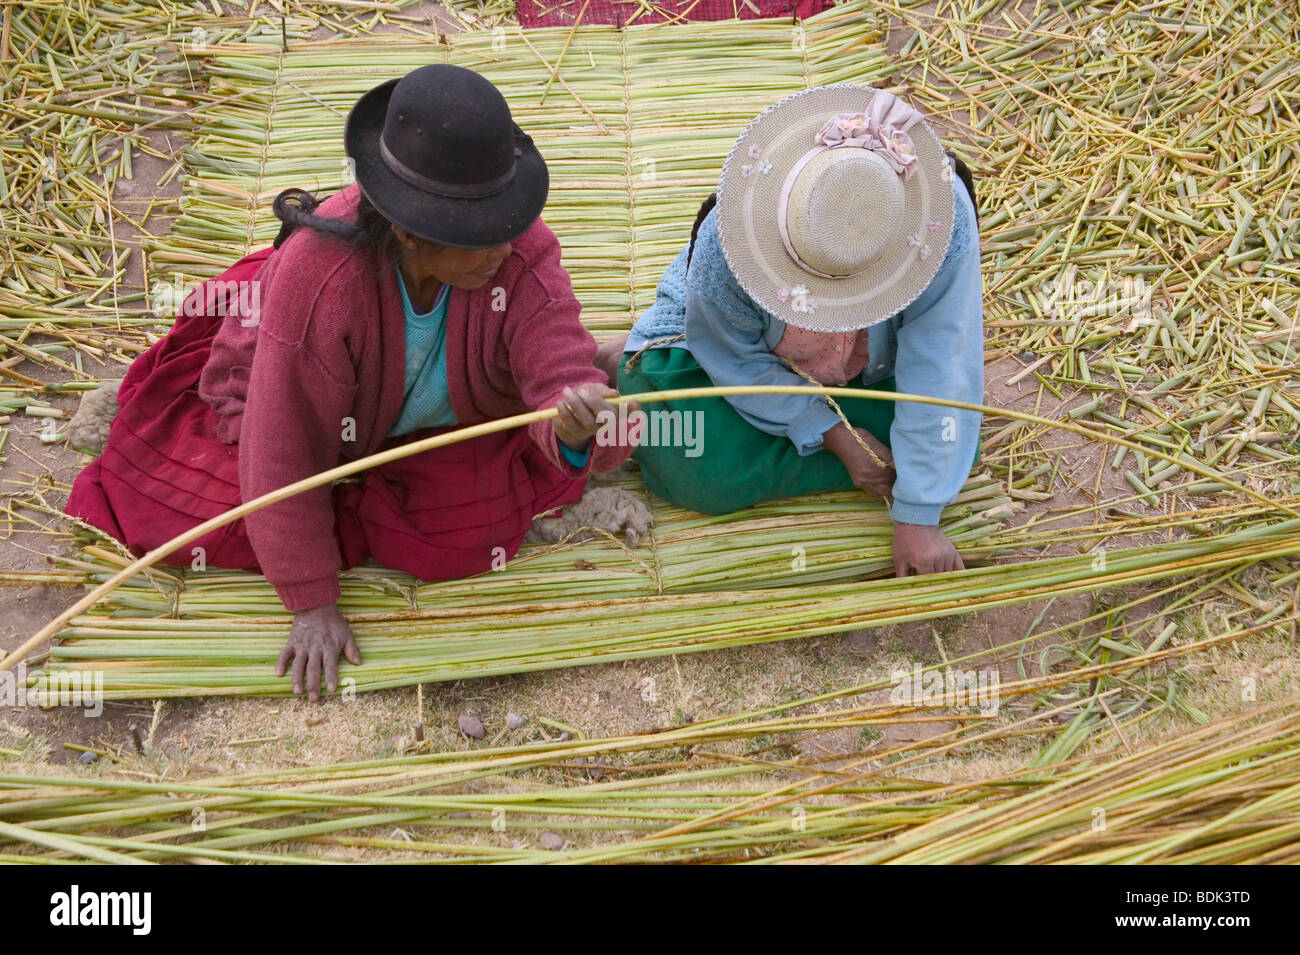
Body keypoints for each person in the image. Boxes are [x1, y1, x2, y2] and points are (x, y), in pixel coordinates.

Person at [66, 65, 634, 700]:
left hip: (445, 418)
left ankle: (598, 364)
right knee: (191, 511)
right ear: (409, 231)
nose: (503, 248)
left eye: (505, 224)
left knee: (463, 533)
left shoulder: (519, 250)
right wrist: (310, 599)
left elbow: (556, 364)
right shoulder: (323, 282)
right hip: (309, 389)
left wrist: (576, 419)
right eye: (478, 238)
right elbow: (284, 441)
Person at [605, 84, 983, 576]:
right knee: (698, 465)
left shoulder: (939, 219)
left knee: (956, 435)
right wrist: (835, 437)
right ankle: (638, 359)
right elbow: (732, 356)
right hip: (726, 358)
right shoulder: (730, 240)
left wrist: (917, 516)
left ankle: (827, 443)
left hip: (863, 368)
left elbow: (940, 356)